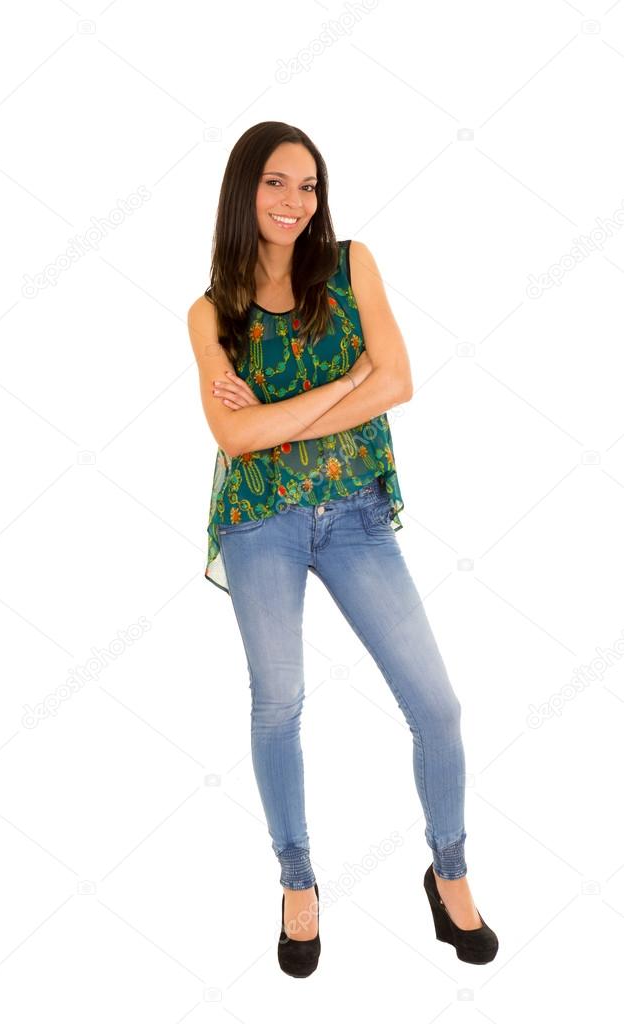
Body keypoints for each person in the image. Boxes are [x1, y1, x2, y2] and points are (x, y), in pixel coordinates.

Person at [187, 121, 498, 976]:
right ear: (244, 191)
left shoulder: (352, 263)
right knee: (278, 704)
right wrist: (347, 383)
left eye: (310, 186)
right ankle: (297, 881)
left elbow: (398, 379)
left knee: (437, 706)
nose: (296, 202)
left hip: (355, 512)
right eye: (277, 184)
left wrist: (277, 418)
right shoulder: (210, 313)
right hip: (260, 522)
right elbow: (234, 439)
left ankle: (450, 870)